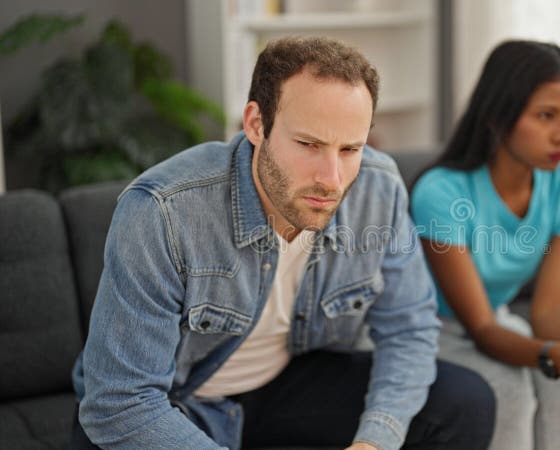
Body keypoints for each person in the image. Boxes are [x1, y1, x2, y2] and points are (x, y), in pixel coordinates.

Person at [69, 36, 495, 450]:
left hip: (285, 383)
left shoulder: (378, 188)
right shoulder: (162, 211)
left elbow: (408, 330)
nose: (332, 179)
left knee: (465, 403)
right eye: (309, 144)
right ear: (256, 124)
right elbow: (120, 403)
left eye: (350, 149)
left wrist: (374, 442)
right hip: (177, 402)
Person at [410, 40, 560, 450]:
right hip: (421, 328)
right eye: (546, 115)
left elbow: (548, 312)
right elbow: (479, 329)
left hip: (495, 320)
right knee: (507, 390)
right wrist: (556, 354)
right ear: (498, 116)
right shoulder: (441, 193)